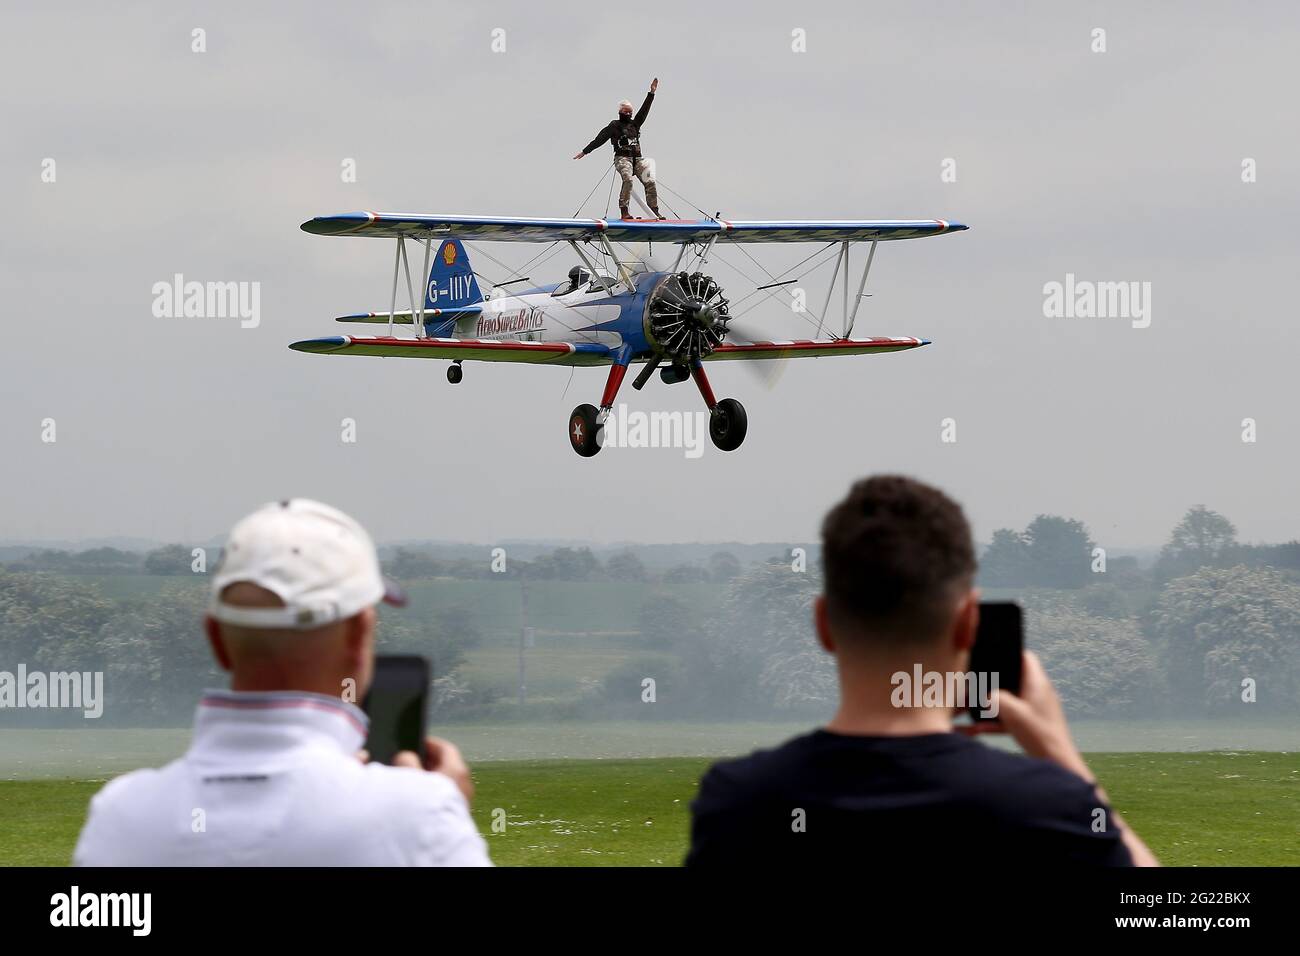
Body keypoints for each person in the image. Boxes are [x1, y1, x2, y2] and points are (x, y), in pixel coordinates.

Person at [686, 475, 1158, 868]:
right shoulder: (1044, 803)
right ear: (968, 623)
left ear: (824, 624)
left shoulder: (737, 802)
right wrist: (1060, 754)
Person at [74, 498, 491, 866]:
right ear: (357, 634)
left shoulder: (119, 817)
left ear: (216, 638)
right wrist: (441, 813)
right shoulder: (418, 813)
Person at [574, 77, 663, 221]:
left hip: (637, 160)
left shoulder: (635, 124)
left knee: (650, 181)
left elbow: (644, 110)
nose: (628, 114)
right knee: (628, 179)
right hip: (622, 159)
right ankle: (624, 211)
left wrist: (651, 93)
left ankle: (654, 211)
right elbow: (599, 140)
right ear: (620, 112)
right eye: (625, 111)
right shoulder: (614, 126)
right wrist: (585, 151)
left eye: (630, 112)